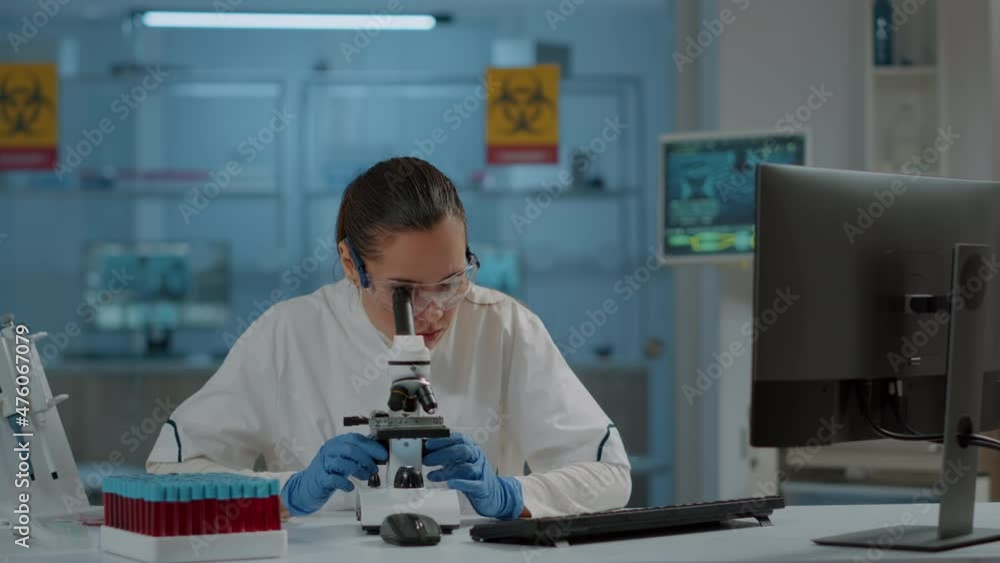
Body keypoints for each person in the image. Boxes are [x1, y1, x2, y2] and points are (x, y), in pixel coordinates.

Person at [147, 157, 631, 519]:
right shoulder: (286, 335)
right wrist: (286, 492)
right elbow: (171, 474)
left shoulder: (503, 326)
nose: (434, 311)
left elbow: (609, 475)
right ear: (349, 264)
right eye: (404, 292)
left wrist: (513, 496)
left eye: (451, 281)